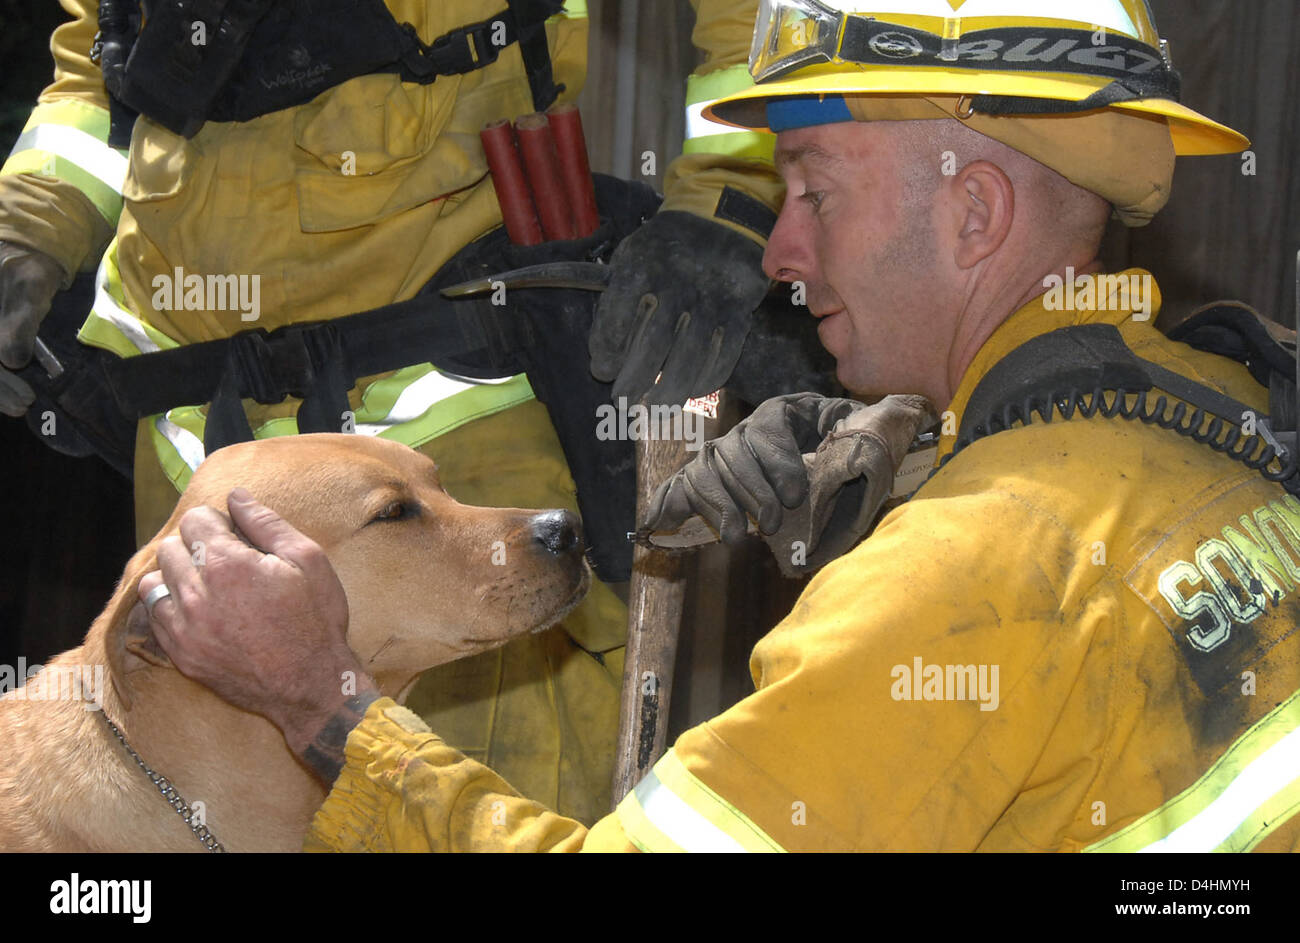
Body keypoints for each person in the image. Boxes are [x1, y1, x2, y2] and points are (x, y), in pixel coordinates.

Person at [140, 0, 1300, 851]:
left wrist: (323, 705)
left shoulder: (957, 584)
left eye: (813, 191)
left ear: (975, 210)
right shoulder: (1231, 399)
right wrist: (902, 459)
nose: (781, 255)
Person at [0, 1, 786, 824]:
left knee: (467, 820)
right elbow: (106, 61)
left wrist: (731, 200)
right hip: (191, 456)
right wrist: (29, 228)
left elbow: (761, 17)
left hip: (453, 461)